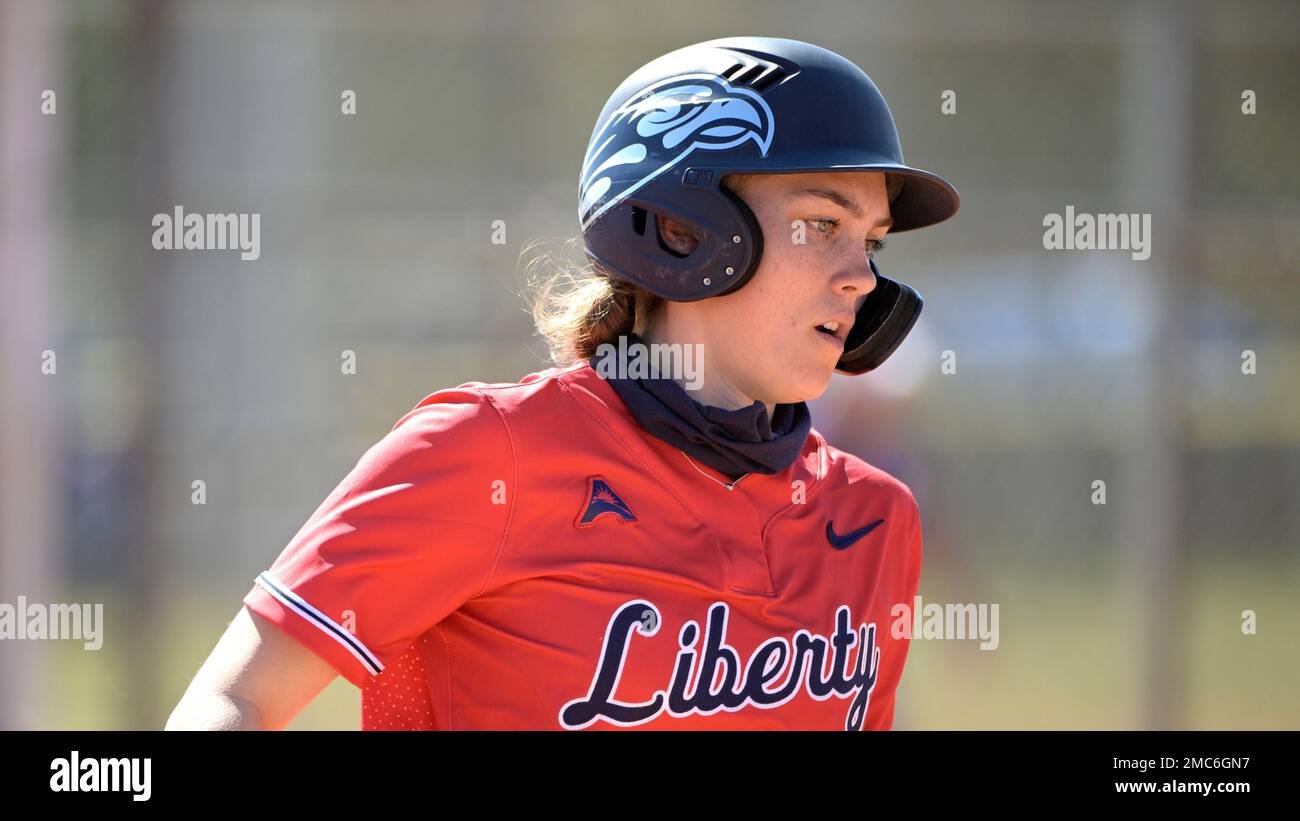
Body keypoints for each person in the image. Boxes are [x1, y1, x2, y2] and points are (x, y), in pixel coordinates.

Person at [167, 36, 958, 731]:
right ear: (679, 228)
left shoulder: (874, 520)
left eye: (872, 241)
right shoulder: (487, 456)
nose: (861, 277)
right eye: (822, 224)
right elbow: (231, 703)